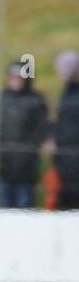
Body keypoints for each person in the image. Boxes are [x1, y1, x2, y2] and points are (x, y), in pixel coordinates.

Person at [0, 58, 48, 208]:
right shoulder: (0, 99)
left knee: (25, 206)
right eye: (13, 77)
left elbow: (42, 129)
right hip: (3, 163)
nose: (16, 81)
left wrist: (29, 150)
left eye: (20, 77)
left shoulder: (36, 100)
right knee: (5, 207)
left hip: (27, 166)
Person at [50, 50, 79, 210]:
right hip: (64, 158)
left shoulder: (73, 94)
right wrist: (54, 137)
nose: (60, 72)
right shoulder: (66, 93)